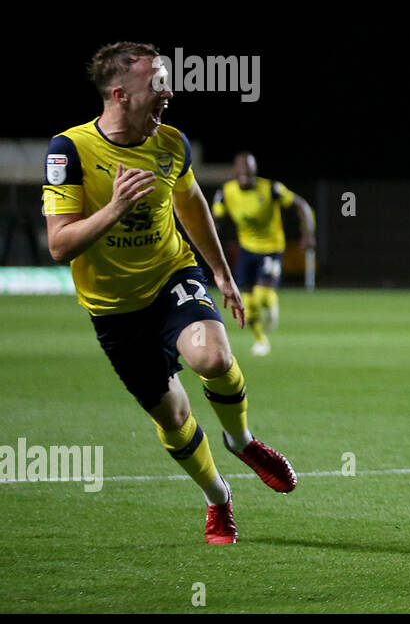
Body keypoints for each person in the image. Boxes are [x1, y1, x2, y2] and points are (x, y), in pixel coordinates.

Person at [42, 42, 297, 545]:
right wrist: (113, 209)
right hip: (113, 309)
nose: (169, 90)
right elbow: (58, 244)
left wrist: (222, 274)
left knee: (213, 357)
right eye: (155, 83)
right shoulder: (69, 150)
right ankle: (218, 497)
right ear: (119, 94)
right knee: (174, 416)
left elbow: (192, 202)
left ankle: (241, 439)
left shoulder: (171, 143)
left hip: (171, 276)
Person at [211, 152, 315, 357]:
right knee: (246, 303)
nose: (244, 174)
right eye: (241, 170)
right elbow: (214, 220)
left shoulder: (271, 189)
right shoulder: (225, 192)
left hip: (271, 248)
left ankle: (271, 303)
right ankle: (260, 339)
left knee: (262, 297)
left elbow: (301, 205)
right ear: (235, 171)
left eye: (248, 170)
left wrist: (309, 235)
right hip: (247, 250)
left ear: (254, 171)